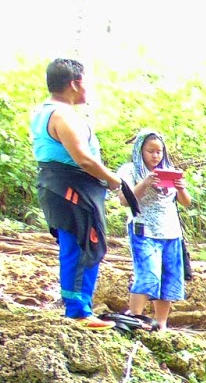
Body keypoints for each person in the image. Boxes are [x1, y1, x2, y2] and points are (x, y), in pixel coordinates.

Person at [31, 58, 122, 327]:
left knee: (80, 244)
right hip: (70, 188)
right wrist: (113, 179)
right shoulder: (61, 115)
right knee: (82, 244)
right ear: (75, 83)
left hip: (61, 186)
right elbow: (83, 159)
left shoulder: (44, 112)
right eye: (86, 83)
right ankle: (79, 311)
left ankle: (81, 306)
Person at [117, 130, 190, 329]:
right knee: (148, 275)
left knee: (168, 278)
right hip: (144, 229)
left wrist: (181, 187)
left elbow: (185, 202)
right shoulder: (130, 170)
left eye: (159, 151)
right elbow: (125, 200)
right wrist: (146, 182)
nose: (155, 156)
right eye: (151, 151)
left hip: (171, 231)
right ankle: (135, 318)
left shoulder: (169, 170)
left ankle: (161, 324)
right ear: (141, 150)